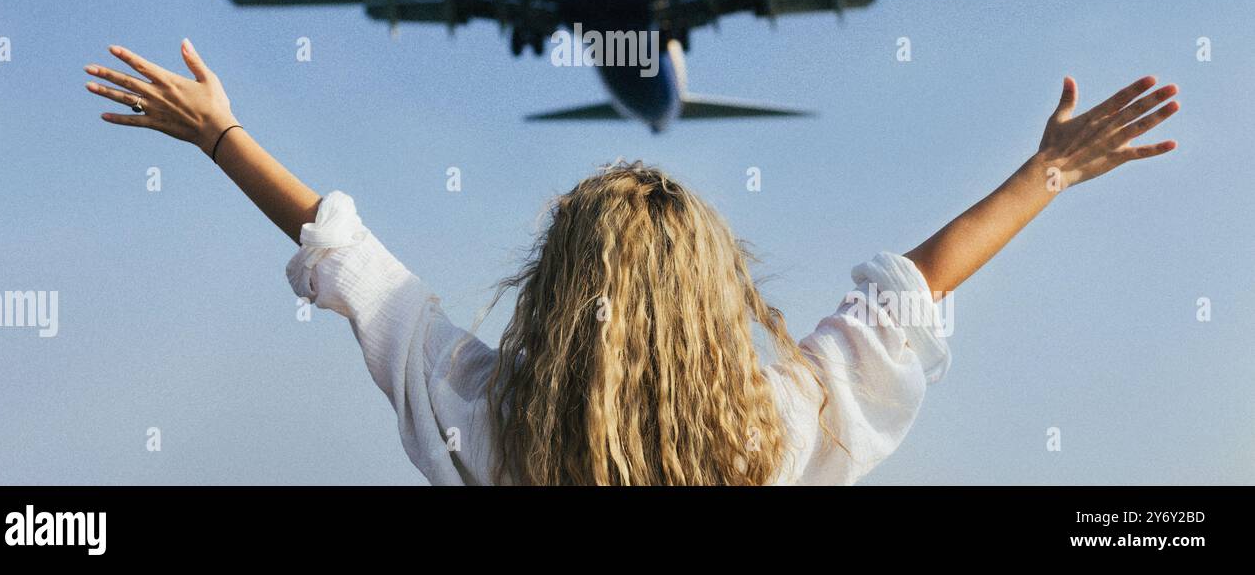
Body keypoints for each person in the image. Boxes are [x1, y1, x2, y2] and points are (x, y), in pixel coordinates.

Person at [86, 39, 1180, 485]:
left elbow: (354, 261)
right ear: (712, 295)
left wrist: (220, 135)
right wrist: (1049, 173)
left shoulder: (491, 419)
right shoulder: (778, 426)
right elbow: (913, 286)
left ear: (558, 292)